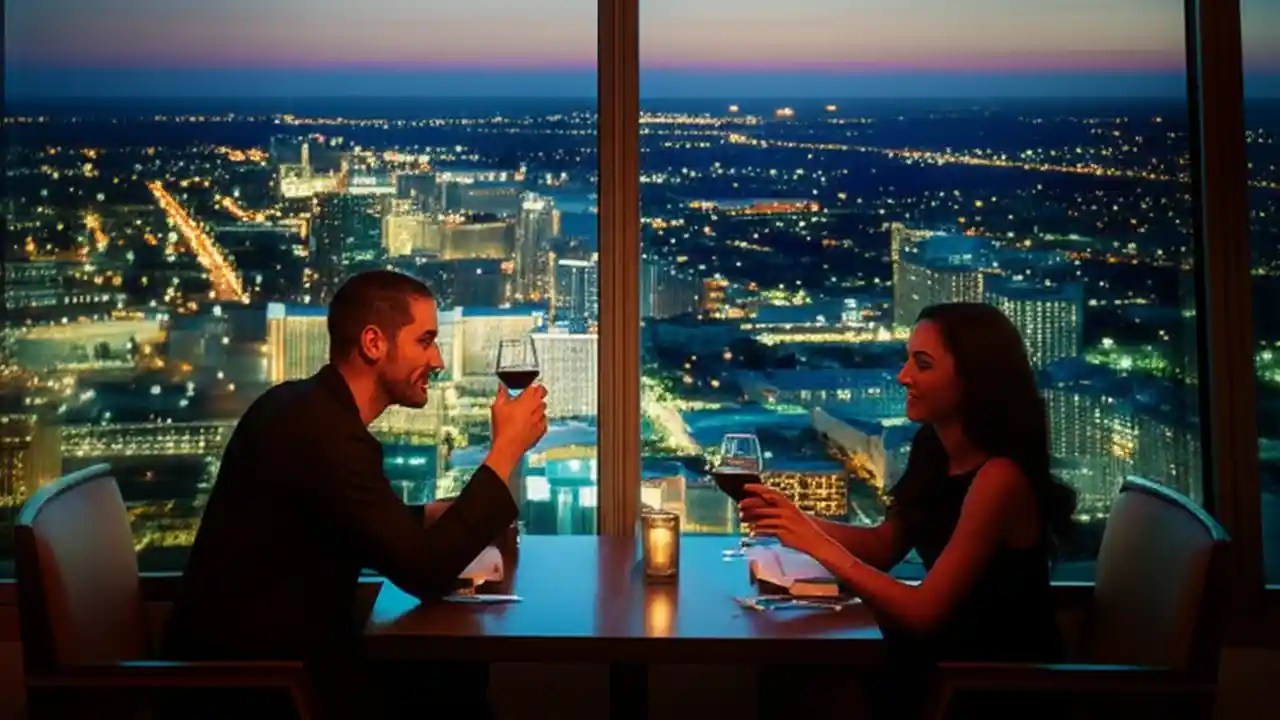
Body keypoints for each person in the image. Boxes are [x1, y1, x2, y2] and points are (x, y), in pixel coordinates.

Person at [163, 270, 548, 719]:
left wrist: (426, 514)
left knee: (456, 675)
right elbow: (425, 572)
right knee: (455, 688)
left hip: (279, 669)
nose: (439, 359)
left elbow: (338, 520)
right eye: (425, 341)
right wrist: (505, 451)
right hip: (260, 692)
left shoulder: (302, 408)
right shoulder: (326, 436)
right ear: (373, 343)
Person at [743, 303, 1075, 718]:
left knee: (793, 683)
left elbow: (924, 614)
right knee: (785, 675)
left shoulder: (1000, 479)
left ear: (974, 379)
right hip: (940, 662)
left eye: (923, 364)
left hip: (983, 686)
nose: (903, 376)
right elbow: (885, 546)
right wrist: (791, 517)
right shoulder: (933, 448)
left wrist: (817, 546)